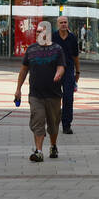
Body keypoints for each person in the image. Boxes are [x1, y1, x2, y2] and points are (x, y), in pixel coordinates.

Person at [16, 21, 66, 162]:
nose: (38, 34)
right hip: (36, 94)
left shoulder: (57, 49)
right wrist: (18, 89)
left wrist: (58, 73)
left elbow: (62, 66)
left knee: (53, 124)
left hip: (54, 94)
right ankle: (38, 151)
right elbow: (24, 70)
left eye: (41, 31)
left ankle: (53, 145)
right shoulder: (31, 49)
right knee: (38, 122)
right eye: (37, 31)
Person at [52, 15, 80, 134]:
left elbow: (75, 56)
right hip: (55, 70)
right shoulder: (53, 37)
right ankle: (53, 123)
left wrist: (77, 71)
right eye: (61, 22)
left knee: (68, 97)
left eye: (65, 22)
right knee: (54, 98)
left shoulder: (72, 38)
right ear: (57, 24)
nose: (63, 24)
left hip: (68, 71)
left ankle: (66, 124)